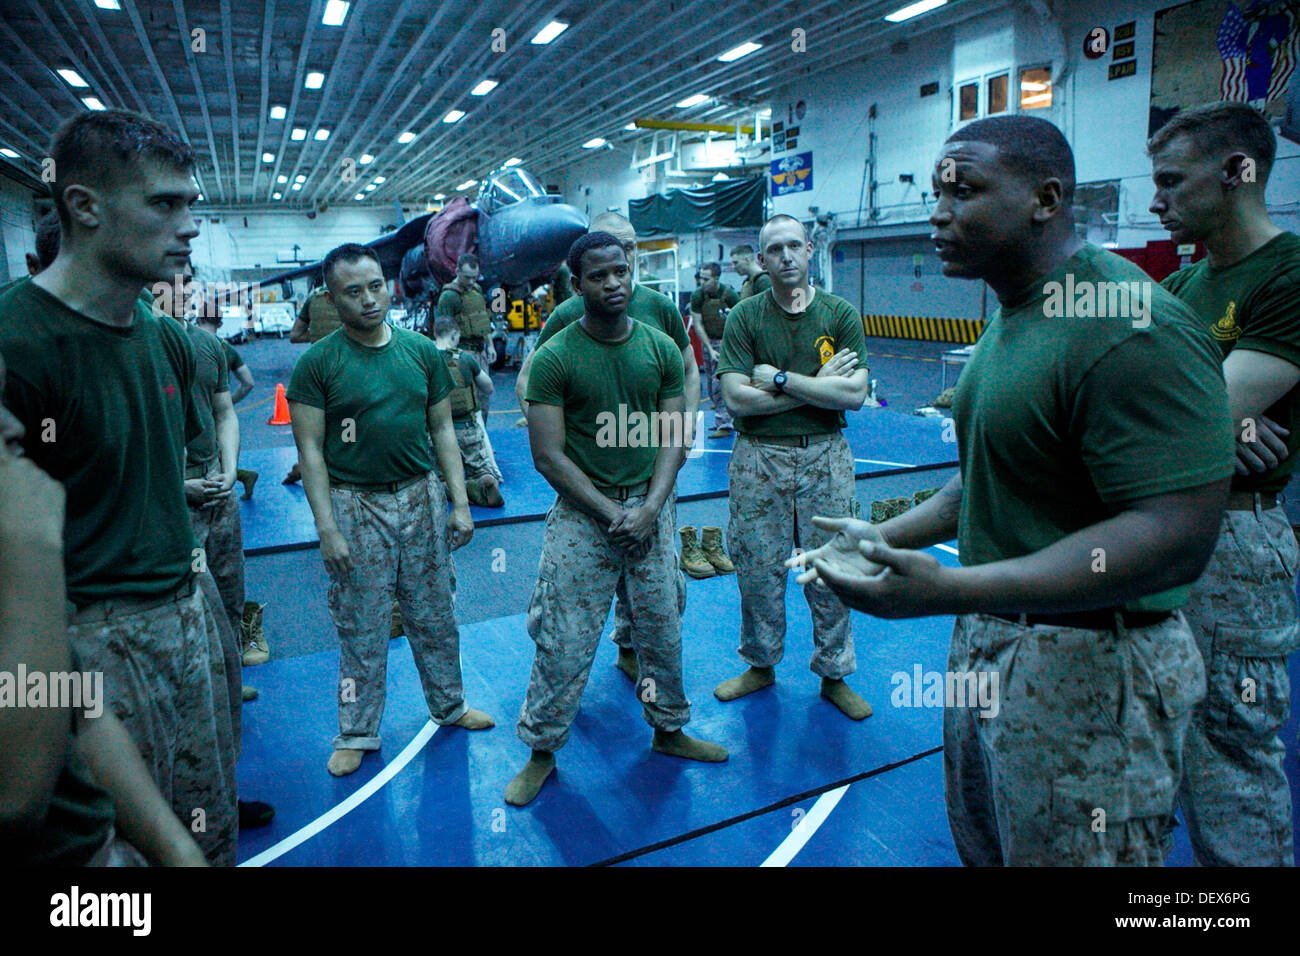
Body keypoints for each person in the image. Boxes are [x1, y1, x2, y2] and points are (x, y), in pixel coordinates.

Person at [793, 115, 1234, 866]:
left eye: (963, 190)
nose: (938, 211)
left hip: (1095, 667)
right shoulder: (1015, 321)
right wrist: (885, 536)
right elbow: (989, 478)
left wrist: (951, 589)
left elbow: (1174, 540)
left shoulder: (1129, 326)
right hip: (995, 647)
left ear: (1046, 197)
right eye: (937, 191)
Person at [0, 109, 238, 865]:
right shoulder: (16, 343)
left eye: (191, 204)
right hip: (84, 644)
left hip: (184, 613)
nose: (190, 226)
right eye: (165, 204)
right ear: (85, 207)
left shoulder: (164, 336)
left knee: (206, 833)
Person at [505, 231, 728, 807]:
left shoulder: (657, 346)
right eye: (598, 276)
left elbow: (675, 434)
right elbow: (547, 455)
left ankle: (670, 729)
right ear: (576, 286)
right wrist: (612, 512)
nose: (612, 284)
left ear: (632, 274)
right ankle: (541, 750)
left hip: (647, 506)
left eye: (620, 273)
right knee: (565, 636)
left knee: (661, 626)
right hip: (586, 514)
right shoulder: (556, 357)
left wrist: (651, 508)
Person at [1149, 101, 1300, 866]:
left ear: (1238, 172)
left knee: (1231, 750)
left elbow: (1191, 410)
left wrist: (1214, 414)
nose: (1156, 200)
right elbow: (1131, 404)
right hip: (1157, 527)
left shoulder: (1290, 273)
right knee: (1157, 722)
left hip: (1235, 539)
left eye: (1173, 181)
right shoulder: (1178, 289)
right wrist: (1216, 418)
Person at [287, 243, 493, 778]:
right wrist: (326, 528)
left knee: (435, 614)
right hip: (356, 503)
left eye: (376, 286)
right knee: (362, 623)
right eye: (353, 292)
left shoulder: (422, 353)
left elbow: (444, 429)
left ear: (389, 285)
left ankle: (449, 705)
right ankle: (357, 729)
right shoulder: (318, 364)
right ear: (333, 299)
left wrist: (461, 502)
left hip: (421, 496)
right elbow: (309, 451)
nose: (369, 299)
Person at [0, 350, 210, 867]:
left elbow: (81, 712)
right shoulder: (23, 554)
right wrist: (33, 549)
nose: (10, 423)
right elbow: (15, 796)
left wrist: (178, 850)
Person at [515, 211, 708, 683]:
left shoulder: (660, 310)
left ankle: (631, 651)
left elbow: (687, 371)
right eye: (600, 268)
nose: (616, 275)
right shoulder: (566, 319)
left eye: (625, 255)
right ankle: (550, 722)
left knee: (654, 590)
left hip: (651, 473)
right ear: (580, 280)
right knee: (567, 610)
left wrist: (682, 435)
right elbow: (533, 381)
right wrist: (564, 430)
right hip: (591, 479)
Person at [713, 215, 873, 721]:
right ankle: (760, 664)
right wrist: (812, 385)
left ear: (809, 251)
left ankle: (834, 672)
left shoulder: (839, 313)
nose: (785, 256)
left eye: (793, 246)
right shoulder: (745, 317)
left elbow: (854, 394)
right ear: (761, 260)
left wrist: (780, 380)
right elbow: (737, 400)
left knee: (832, 564)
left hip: (825, 453)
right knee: (758, 567)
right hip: (760, 458)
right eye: (773, 249)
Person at [430, 316, 504, 507]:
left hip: (435, 431)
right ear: (455, 335)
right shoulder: (465, 358)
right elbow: (488, 387)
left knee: (436, 478)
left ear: (435, 333)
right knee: (480, 468)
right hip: (467, 429)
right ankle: (482, 481)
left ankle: (456, 488)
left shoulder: (426, 358)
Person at [692, 262, 742, 440]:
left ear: (716, 278)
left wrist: (731, 344)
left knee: (719, 384)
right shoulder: (698, 296)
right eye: (701, 278)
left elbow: (741, 318)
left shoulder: (729, 294)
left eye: (706, 279)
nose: (702, 282)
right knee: (711, 385)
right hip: (709, 343)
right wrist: (708, 348)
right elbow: (697, 324)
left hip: (725, 342)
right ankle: (722, 419)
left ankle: (725, 423)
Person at [435, 253, 495, 368]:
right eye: (467, 277)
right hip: (461, 354)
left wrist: (490, 346)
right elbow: (442, 335)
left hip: (480, 353)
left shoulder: (477, 289)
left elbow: (483, 320)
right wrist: (455, 360)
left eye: (475, 277)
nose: (471, 281)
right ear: (457, 272)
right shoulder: (449, 296)